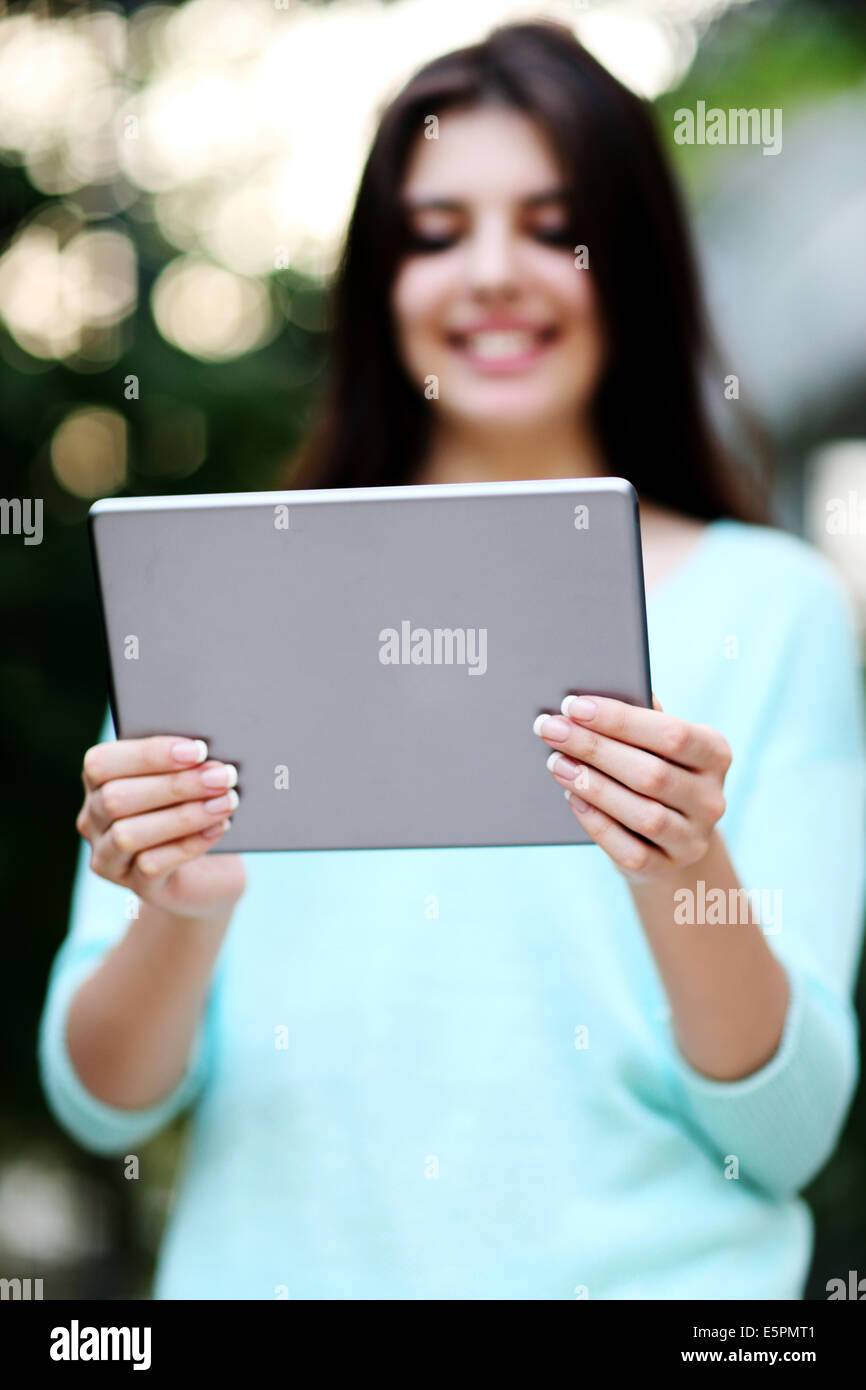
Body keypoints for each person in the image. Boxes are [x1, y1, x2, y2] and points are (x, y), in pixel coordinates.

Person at [39, 21, 865, 1299]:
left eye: (551, 224)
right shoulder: (224, 590)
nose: (489, 273)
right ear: (379, 274)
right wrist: (174, 909)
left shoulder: (774, 607)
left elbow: (787, 1129)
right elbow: (100, 1106)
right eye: (435, 232)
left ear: (631, 265)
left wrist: (681, 865)